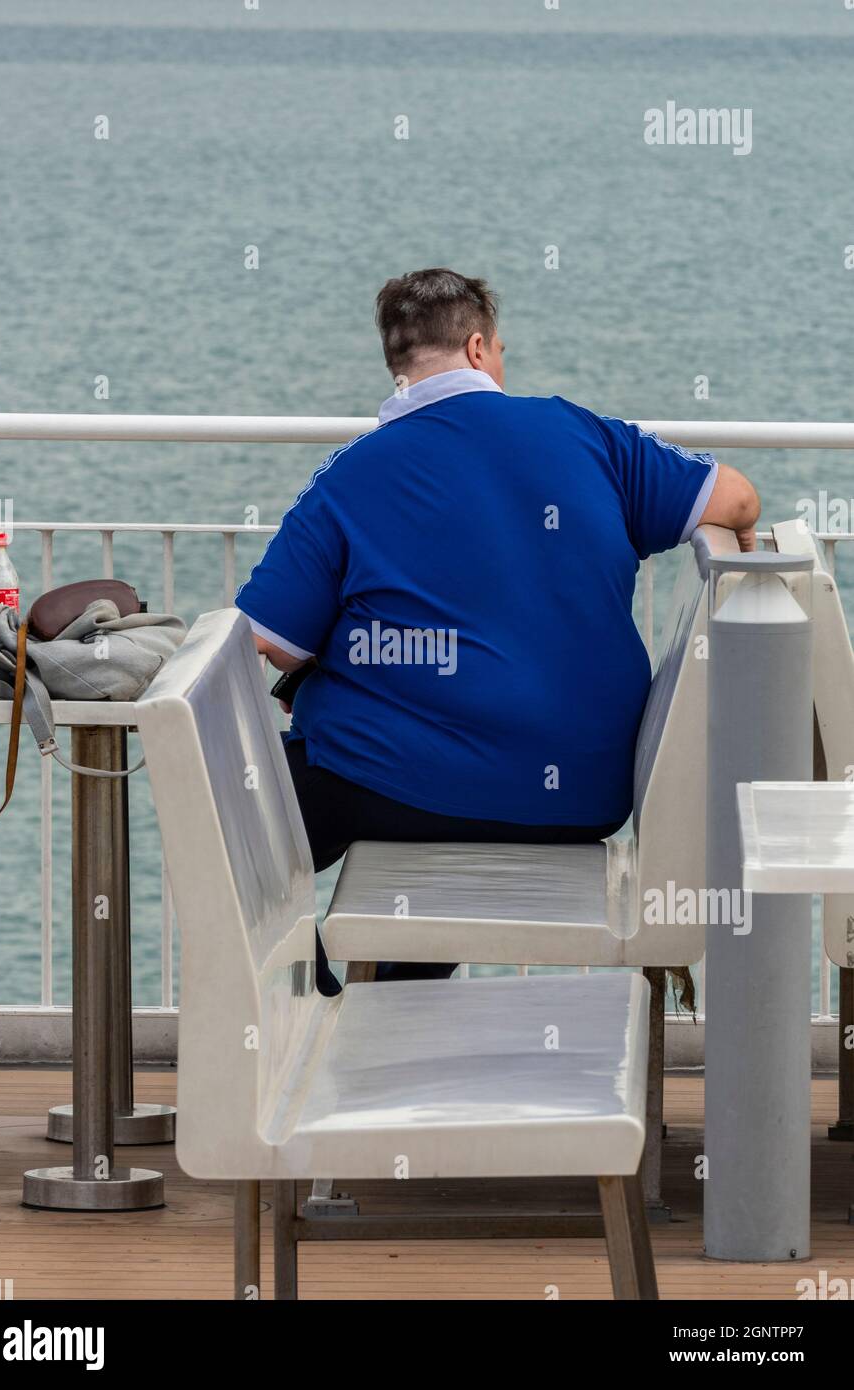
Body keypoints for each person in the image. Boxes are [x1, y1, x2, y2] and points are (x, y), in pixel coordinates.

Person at [235, 268, 760, 993]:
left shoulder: (352, 475)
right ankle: (389, 1006)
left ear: (397, 364)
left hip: (406, 790)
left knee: (242, 823)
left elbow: (267, 642)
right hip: (579, 799)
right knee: (435, 800)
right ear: (479, 348)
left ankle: (310, 1015)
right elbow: (734, 498)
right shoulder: (583, 436)